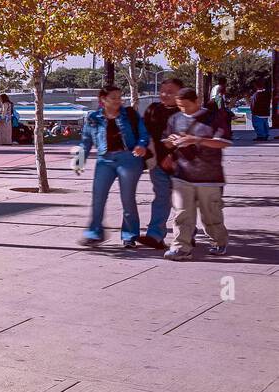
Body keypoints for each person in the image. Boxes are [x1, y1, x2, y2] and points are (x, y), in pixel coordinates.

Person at [76, 84, 150, 248]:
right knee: (98, 197)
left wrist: (142, 145)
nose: (118, 100)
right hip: (105, 160)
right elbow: (86, 142)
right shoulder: (93, 118)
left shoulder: (130, 114)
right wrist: (79, 161)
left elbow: (144, 133)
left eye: (119, 97)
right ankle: (95, 233)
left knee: (127, 199)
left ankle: (129, 236)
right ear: (103, 99)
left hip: (129, 159)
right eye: (114, 97)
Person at [162, 86, 232, 260]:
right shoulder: (175, 118)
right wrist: (170, 142)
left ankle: (218, 241)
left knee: (211, 215)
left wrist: (196, 140)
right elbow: (166, 140)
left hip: (209, 176)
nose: (183, 110)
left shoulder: (215, 117)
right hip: (182, 174)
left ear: (197, 101)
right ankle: (180, 248)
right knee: (181, 213)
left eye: (186, 105)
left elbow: (224, 142)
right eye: (180, 106)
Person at [139, 77, 182, 250]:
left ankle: (187, 235)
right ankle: (155, 236)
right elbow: (144, 132)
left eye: (170, 92)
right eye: (162, 91)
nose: (165, 95)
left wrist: (174, 156)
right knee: (161, 198)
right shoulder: (153, 109)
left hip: (183, 166)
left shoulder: (186, 112)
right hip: (157, 164)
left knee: (183, 203)